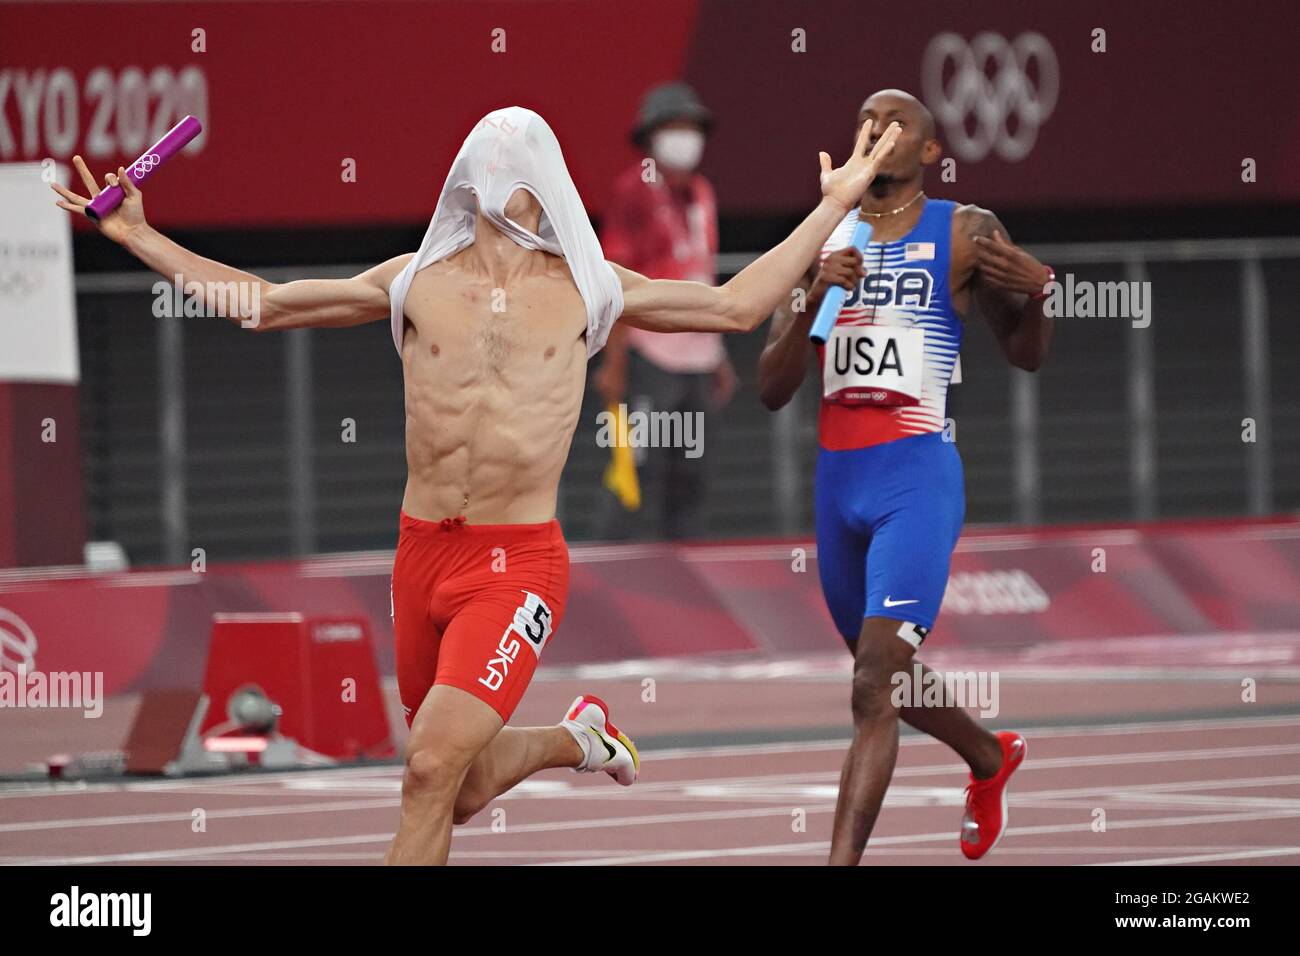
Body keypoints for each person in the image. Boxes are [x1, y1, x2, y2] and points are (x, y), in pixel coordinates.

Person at [54, 106, 899, 865]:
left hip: (517, 565)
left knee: (426, 770)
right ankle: (579, 741)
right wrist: (137, 236)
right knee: (455, 786)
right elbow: (264, 305)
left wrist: (833, 205)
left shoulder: (590, 288)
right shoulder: (415, 280)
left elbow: (736, 308)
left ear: (547, 185)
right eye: (484, 152)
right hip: (420, 555)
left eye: (517, 154)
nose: (498, 164)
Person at [758, 89, 1054, 865]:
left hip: (913, 478)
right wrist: (814, 295)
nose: (876, 135)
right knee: (883, 675)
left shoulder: (963, 230)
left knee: (871, 684)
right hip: (836, 486)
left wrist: (1040, 294)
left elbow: (1025, 353)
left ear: (927, 151)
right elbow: (770, 387)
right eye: (863, 122)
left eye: (896, 126)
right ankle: (988, 758)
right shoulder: (822, 235)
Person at [593, 82, 735, 539]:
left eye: (690, 128)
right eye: (673, 128)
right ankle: (614, 583)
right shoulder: (632, 191)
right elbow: (613, 278)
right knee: (634, 475)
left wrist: (719, 355)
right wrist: (614, 363)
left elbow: (703, 278)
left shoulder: (704, 192)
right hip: (649, 357)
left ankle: (689, 586)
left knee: (693, 475)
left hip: (698, 360)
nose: (683, 137)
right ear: (651, 137)